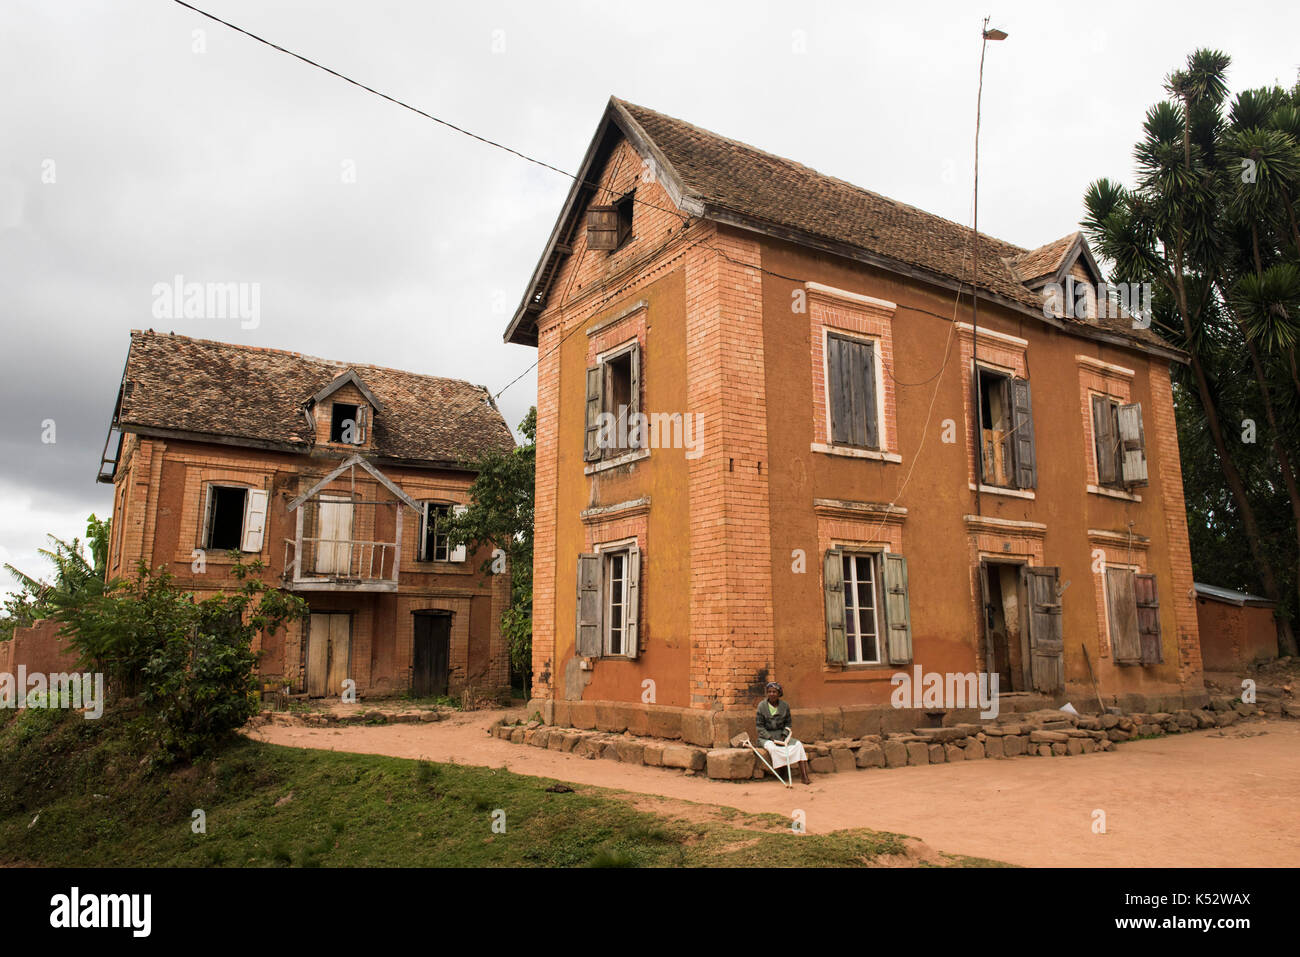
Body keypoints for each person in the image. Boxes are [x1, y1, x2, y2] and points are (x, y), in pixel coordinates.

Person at [755, 681, 810, 785]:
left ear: (779, 693)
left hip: (781, 735)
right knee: (773, 748)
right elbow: (759, 727)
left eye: (774, 692)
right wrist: (769, 737)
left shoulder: (785, 706)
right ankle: (782, 771)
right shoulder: (761, 706)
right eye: (769, 692)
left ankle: (804, 776)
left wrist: (784, 735)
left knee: (798, 745)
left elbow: (788, 723)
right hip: (766, 737)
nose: (772, 694)